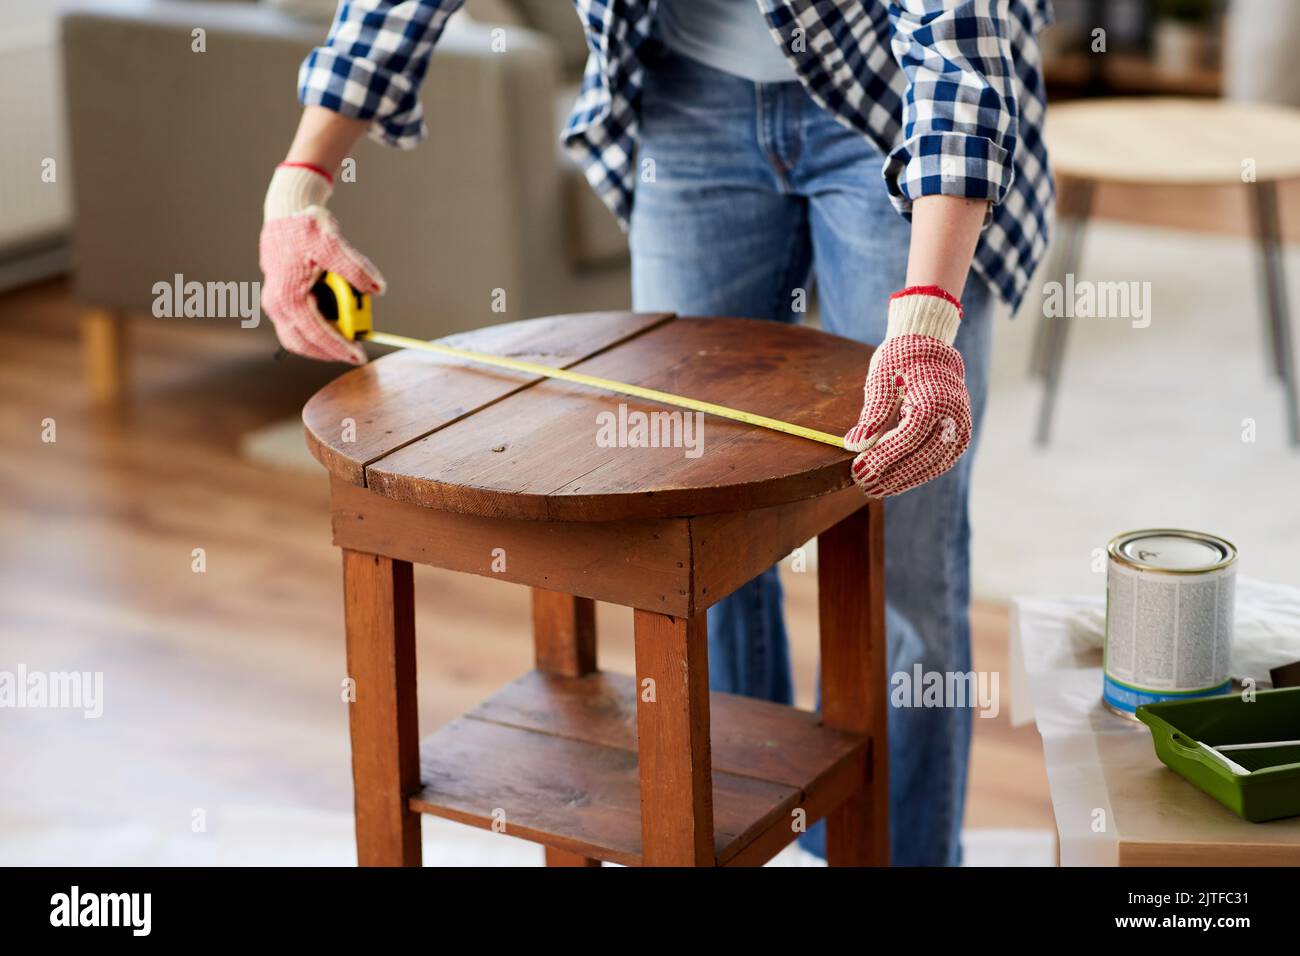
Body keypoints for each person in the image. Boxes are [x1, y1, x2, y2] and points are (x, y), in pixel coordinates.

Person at [260, 0, 1055, 866]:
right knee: (693, 511)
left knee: (908, 526)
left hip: (894, 94)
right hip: (689, 99)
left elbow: (955, 47)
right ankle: (761, 848)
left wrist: (930, 310)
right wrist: (300, 181)